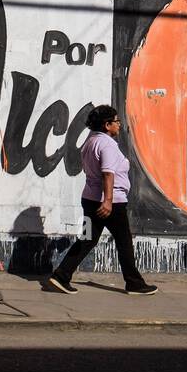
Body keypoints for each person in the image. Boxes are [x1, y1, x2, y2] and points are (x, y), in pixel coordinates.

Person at [48, 105, 157, 295]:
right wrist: (107, 201)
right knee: (124, 241)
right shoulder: (107, 144)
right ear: (107, 125)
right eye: (116, 121)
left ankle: (61, 275)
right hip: (111, 204)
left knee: (87, 239)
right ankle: (134, 283)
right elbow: (108, 174)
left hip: (89, 200)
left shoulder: (90, 142)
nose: (119, 125)